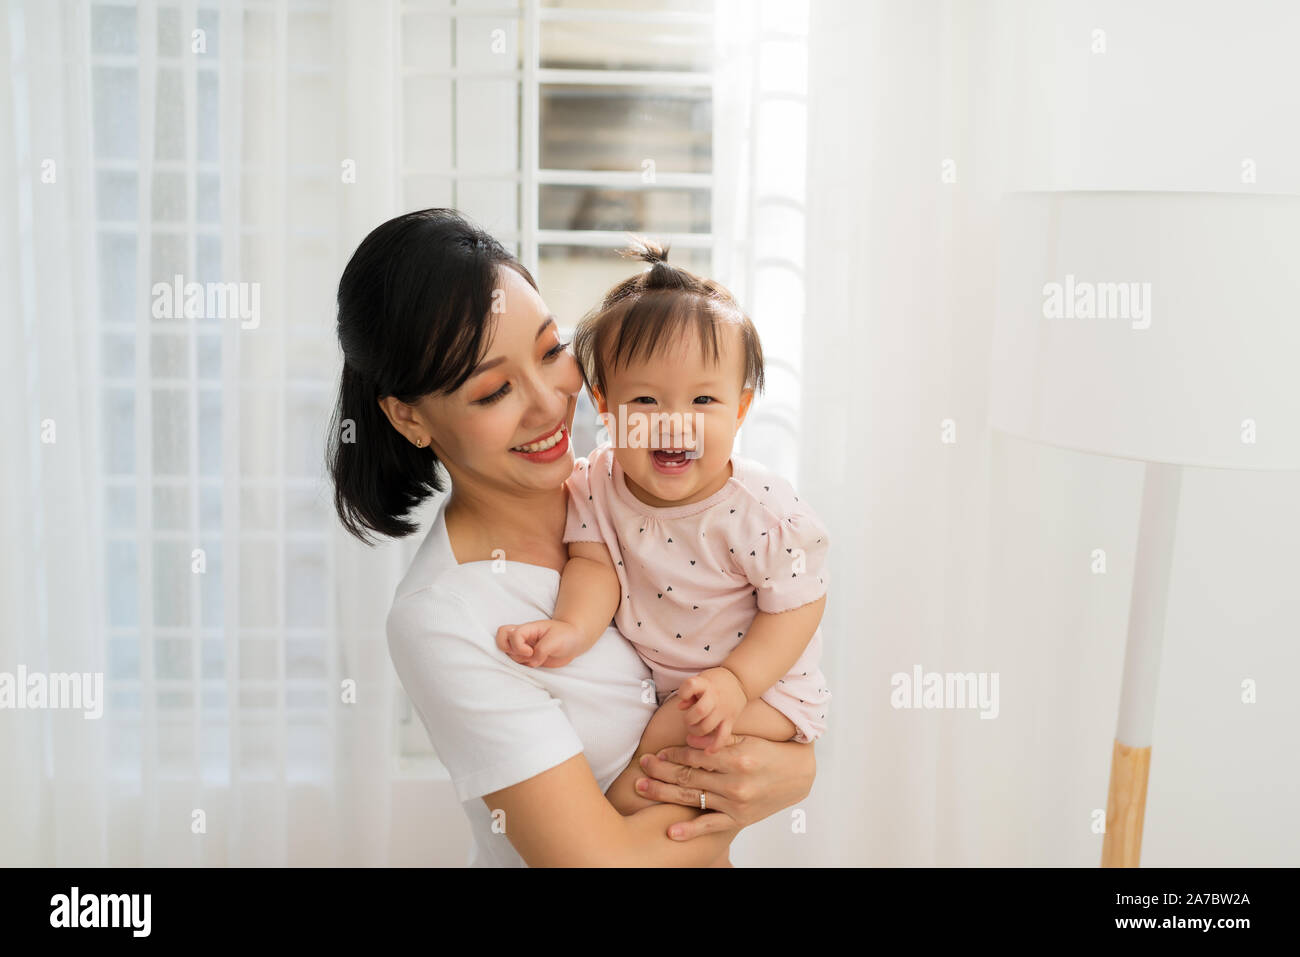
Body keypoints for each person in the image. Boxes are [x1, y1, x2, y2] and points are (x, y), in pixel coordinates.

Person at [327, 209, 817, 866]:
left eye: (552, 350)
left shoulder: (635, 491)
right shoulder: (444, 616)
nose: (551, 401)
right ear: (410, 417)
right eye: (495, 389)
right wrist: (767, 784)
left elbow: (780, 628)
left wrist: (794, 765)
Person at [495, 240, 831, 817]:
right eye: (646, 400)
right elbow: (595, 565)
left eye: (704, 399)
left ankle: (604, 837)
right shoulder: (597, 482)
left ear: (741, 409)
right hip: (681, 693)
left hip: (765, 693)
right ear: (604, 403)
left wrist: (736, 682)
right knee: (680, 796)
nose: (675, 424)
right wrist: (571, 630)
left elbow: (799, 606)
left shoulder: (762, 511)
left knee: (648, 771)